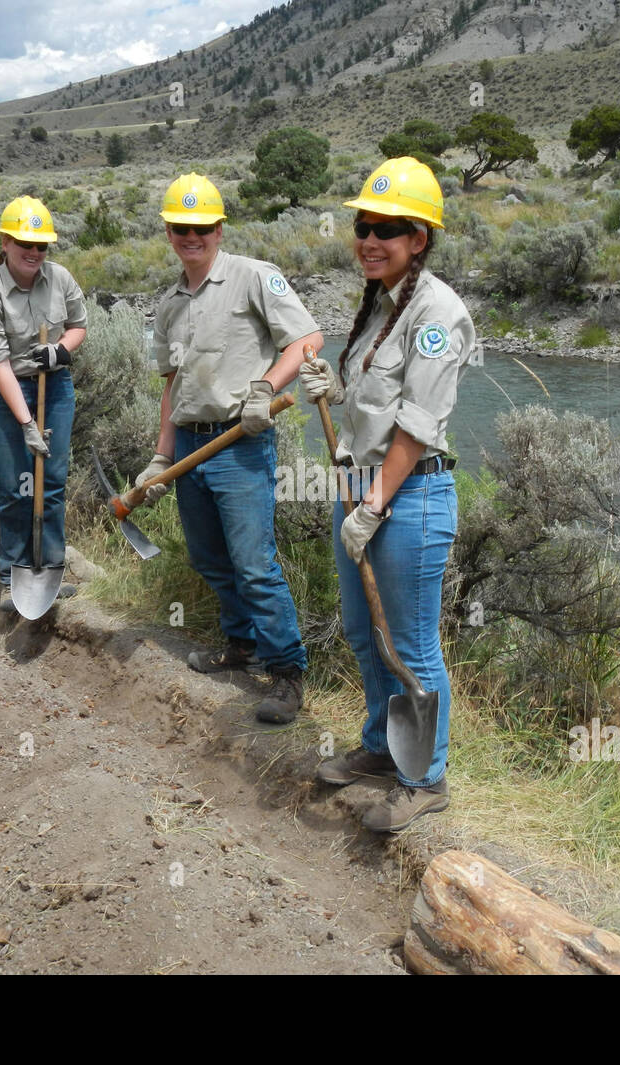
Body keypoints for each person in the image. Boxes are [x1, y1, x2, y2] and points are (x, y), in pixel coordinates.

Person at [299, 157, 478, 832]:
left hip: (409, 498)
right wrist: (334, 391)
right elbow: (378, 404)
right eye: (364, 226)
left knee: (410, 642)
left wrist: (372, 506)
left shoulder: (438, 314)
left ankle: (425, 777)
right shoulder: (382, 301)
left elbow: (415, 426)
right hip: (361, 490)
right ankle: (381, 746)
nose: (371, 240)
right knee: (362, 630)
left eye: (389, 230)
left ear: (420, 238)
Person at [136, 173, 324, 723]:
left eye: (203, 228)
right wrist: (160, 456)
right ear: (169, 233)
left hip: (240, 445)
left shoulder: (254, 278)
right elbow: (172, 386)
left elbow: (307, 340)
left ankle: (287, 673)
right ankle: (240, 647)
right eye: (181, 228)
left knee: (254, 565)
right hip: (191, 447)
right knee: (210, 559)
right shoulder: (169, 304)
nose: (192, 236)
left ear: (219, 230)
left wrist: (268, 387)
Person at [0, 195, 87, 612]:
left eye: (42, 246)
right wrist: (25, 424)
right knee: (16, 486)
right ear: (5, 242)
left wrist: (60, 352)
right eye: (25, 245)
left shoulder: (61, 279)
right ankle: (10, 577)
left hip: (54, 390)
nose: (34, 253)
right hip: (7, 395)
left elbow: (78, 327)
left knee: (51, 483)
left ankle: (51, 569)